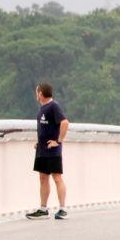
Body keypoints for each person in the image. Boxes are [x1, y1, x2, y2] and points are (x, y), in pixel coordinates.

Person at [25, 82, 69, 220]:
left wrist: (58, 141)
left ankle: (62, 209)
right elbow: (46, 128)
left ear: (40, 94)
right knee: (43, 178)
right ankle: (43, 209)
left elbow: (65, 122)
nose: (36, 95)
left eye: (37, 92)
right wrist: (39, 141)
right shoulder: (42, 109)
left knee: (56, 177)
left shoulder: (53, 106)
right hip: (42, 150)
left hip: (53, 150)